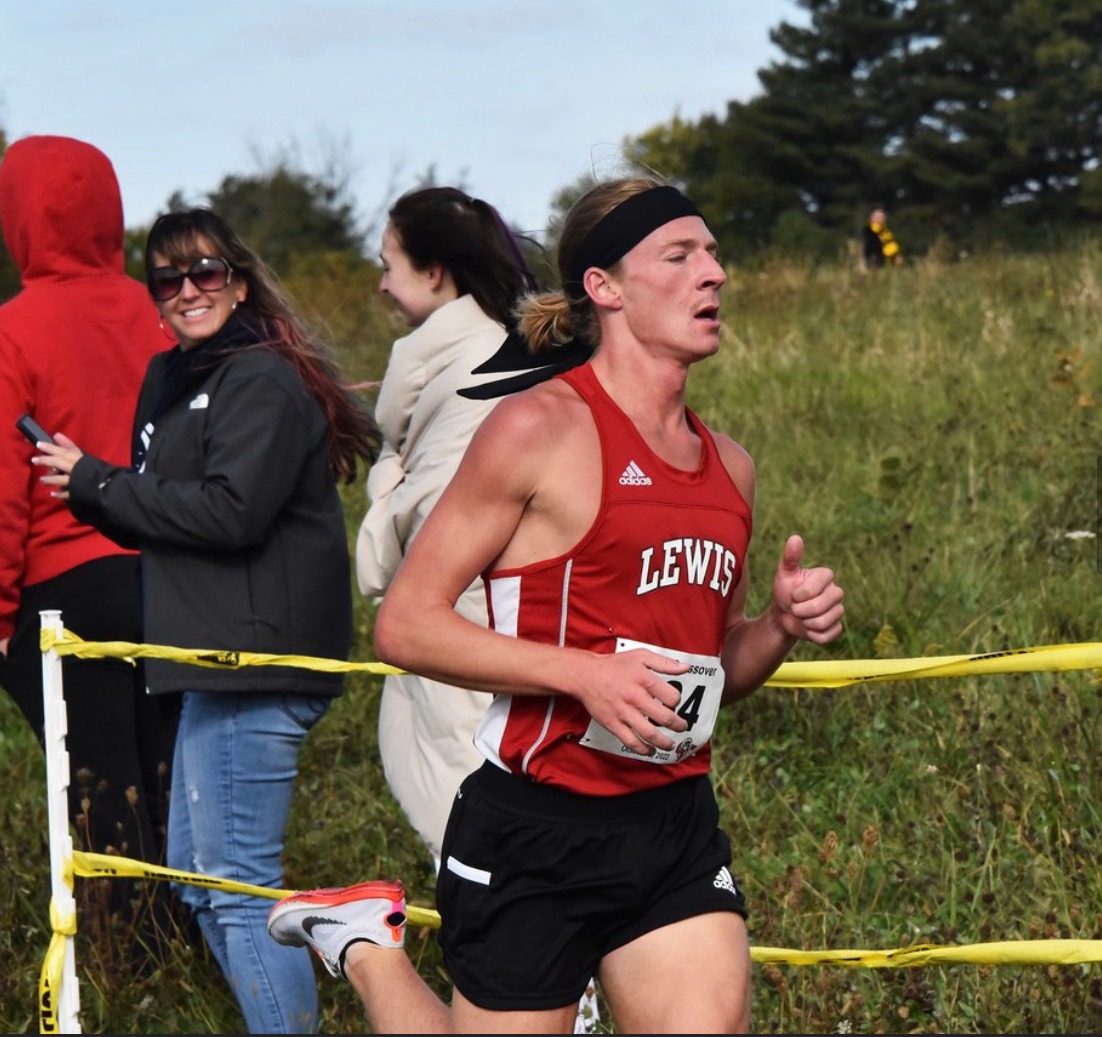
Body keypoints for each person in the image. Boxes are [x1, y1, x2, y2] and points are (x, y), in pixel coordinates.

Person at [267, 177, 845, 1034]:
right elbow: (406, 623)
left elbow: (712, 672)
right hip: (535, 829)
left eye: (714, 253)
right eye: (680, 255)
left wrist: (780, 627)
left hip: (672, 825)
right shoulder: (537, 429)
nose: (714, 273)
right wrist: (585, 677)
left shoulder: (731, 466)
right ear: (604, 288)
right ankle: (367, 946)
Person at [30, 208, 381, 1034]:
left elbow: (232, 513)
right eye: (168, 278)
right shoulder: (179, 375)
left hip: (254, 659)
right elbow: (172, 516)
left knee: (230, 874)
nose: (188, 290)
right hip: (205, 658)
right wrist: (91, 485)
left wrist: (101, 483)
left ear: (241, 279)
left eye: (206, 272)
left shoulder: (258, 376)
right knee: (198, 874)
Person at [0, 134, 181, 953]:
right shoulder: (171, 310)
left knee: (97, 791)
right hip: (178, 581)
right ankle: (200, 950)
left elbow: (5, 492)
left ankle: (128, 977)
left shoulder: (13, 329)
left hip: (62, 592)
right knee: (177, 784)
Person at [357, 185, 541, 870]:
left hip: (464, 636)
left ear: (433, 271)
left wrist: (388, 480)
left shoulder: (468, 373)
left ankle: (549, 978)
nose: (381, 283)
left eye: (389, 263)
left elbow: (407, 540)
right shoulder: (503, 354)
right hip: (505, 632)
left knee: (484, 845)